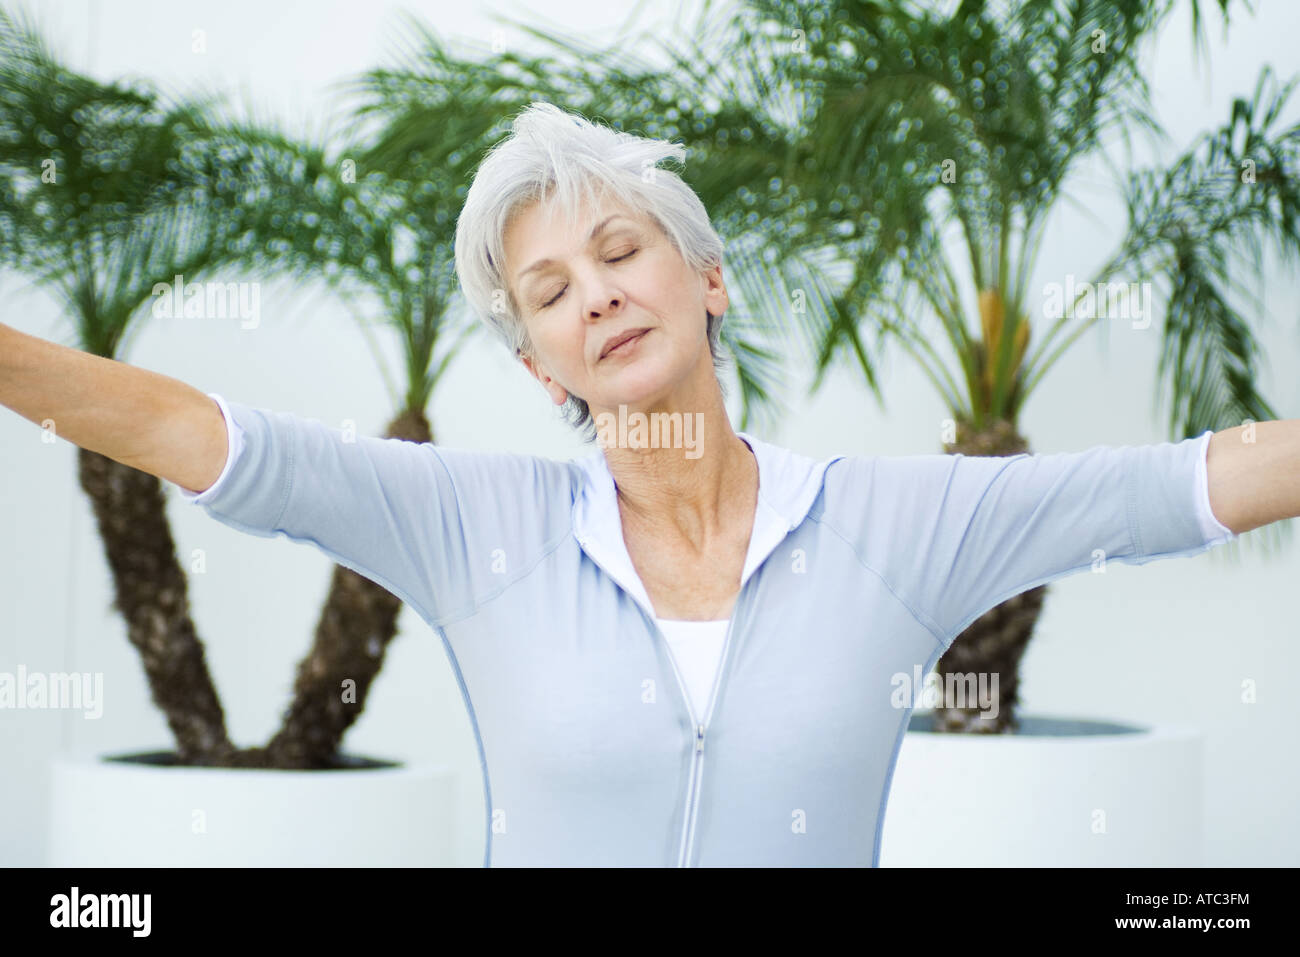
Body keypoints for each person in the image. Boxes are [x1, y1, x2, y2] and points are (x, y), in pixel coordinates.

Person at [2, 101, 1291, 867]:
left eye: (621, 250)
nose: (597, 293)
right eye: (551, 292)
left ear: (709, 279)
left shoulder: (892, 526)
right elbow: (207, 436)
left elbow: (1182, 486)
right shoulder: (476, 529)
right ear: (542, 368)